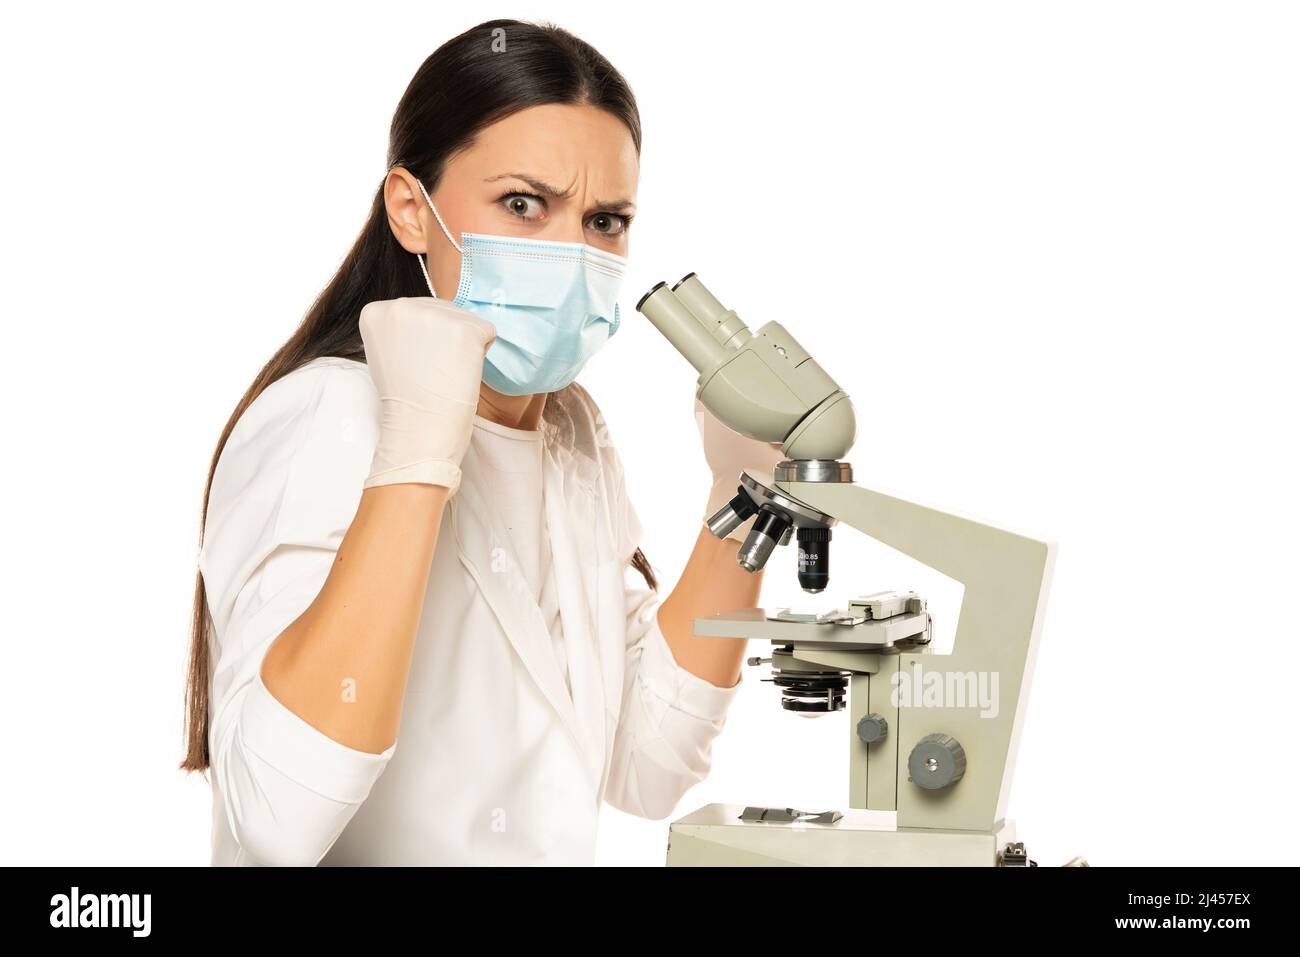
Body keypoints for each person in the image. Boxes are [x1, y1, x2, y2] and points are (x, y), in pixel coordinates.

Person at [180, 18, 784, 866]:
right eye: (524, 204)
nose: (573, 254)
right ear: (411, 211)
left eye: (605, 221)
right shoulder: (325, 414)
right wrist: (416, 459)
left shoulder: (573, 435)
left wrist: (746, 494)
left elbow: (645, 765)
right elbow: (277, 814)